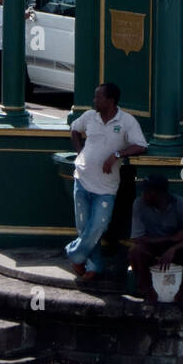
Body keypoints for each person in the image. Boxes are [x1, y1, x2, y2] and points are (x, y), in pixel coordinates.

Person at [66, 83, 148, 283]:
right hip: (82, 179)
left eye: (98, 97)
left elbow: (141, 145)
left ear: (110, 101)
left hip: (106, 187)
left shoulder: (127, 121)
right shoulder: (89, 117)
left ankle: (75, 255)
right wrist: (80, 152)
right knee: (84, 228)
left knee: (97, 227)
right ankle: (94, 267)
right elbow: (74, 130)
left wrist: (117, 154)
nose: (94, 101)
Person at [129, 174, 183, 303]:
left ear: (157, 194)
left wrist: (173, 248)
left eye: (148, 191)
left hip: (177, 248)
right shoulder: (139, 204)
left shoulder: (180, 203)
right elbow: (137, 239)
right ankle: (147, 292)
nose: (144, 194)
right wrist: (171, 239)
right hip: (153, 247)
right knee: (135, 251)